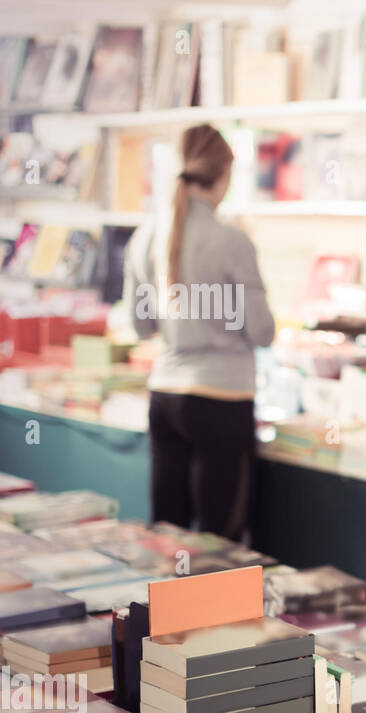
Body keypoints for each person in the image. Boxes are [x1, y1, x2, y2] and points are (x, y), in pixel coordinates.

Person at [127, 124, 275, 541]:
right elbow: (263, 331)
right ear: (224, 174)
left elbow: (141, 326)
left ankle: (164, 608)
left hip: (166, 397)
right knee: (220, 542)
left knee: (166, 534)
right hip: (221, 401)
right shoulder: (231, 240)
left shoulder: (145, 237)